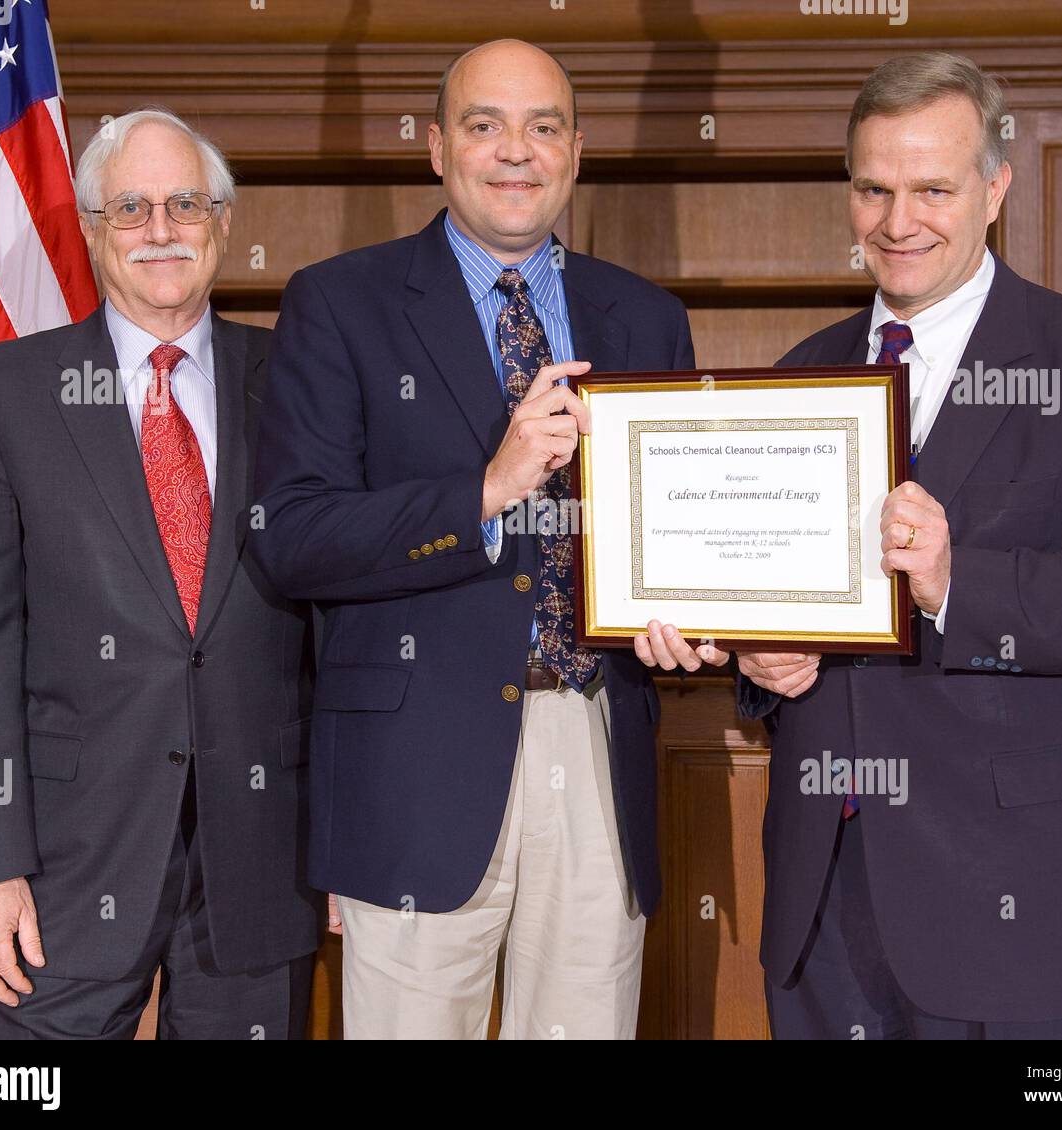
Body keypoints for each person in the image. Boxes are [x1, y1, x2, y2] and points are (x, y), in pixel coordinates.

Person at [651, 51, 1062, 1038]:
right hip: (826, 903)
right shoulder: (799, 375)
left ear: (995, 186)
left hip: (1021, 906)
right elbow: (769, 615)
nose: (897, 222)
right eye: (873, 188)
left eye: (932, 189)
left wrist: (958, 582)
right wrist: (756, 662)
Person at [251, 39, 701, 1039]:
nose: (515, 152)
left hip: (594, 744)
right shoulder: (338, 302)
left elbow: (667, 537)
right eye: (484, 125)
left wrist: (696, 617)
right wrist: (486, 489)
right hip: (413, 771)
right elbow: (294, 537)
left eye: (543, 127)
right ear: (435, 146)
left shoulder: (645, 317)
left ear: (575, 152)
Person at [0, 109, 319, 1039]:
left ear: (222, 221)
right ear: (92, 230)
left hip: (263, 861)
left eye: (186, 202)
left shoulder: (301, 379)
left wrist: (342, 847)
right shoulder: (1, 393)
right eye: (131, 207)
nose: (161, 229)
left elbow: (333, 619)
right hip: (61, 869)